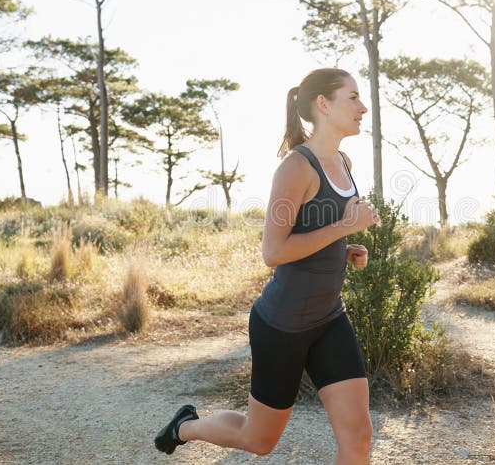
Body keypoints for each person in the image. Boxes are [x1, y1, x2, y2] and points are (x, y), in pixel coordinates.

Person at [154, 68, 380, 464]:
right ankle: (184, 427)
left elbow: (314, 231)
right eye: (353, 98)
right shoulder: (296, 168)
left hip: (328, 319)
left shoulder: (343, 161)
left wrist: (345, 246)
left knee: (358, 437)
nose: (363, 108)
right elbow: (273, 252)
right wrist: (345, 226)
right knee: (258, 440)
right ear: (323, 105)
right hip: (282, 326)